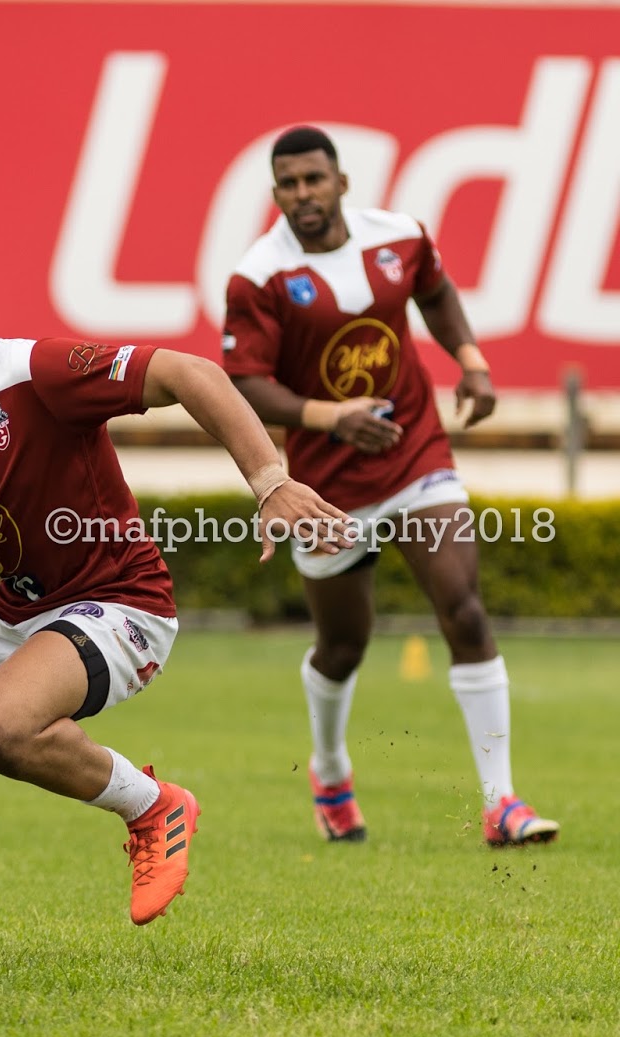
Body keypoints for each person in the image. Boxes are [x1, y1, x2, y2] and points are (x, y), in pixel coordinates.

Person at [0, 235, 352, 950]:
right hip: (21, 607)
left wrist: (270, 481)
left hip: (121, 599)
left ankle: (156, 806)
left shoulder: (36, 373)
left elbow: (192, 373)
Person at [221, 125, 560, 848]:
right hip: (325, 483)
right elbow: (246, 382)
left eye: (315, 179)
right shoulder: (259, 276)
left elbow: (434, 292)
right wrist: (329, 416)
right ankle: (332, 772)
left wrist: (471, 360)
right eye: (288, 184)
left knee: (465, 611)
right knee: (345, 645)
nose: (303, 195)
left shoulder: (400, 236)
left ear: (342, 182)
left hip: (415, 454)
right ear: (275, 193)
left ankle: (502, 802)